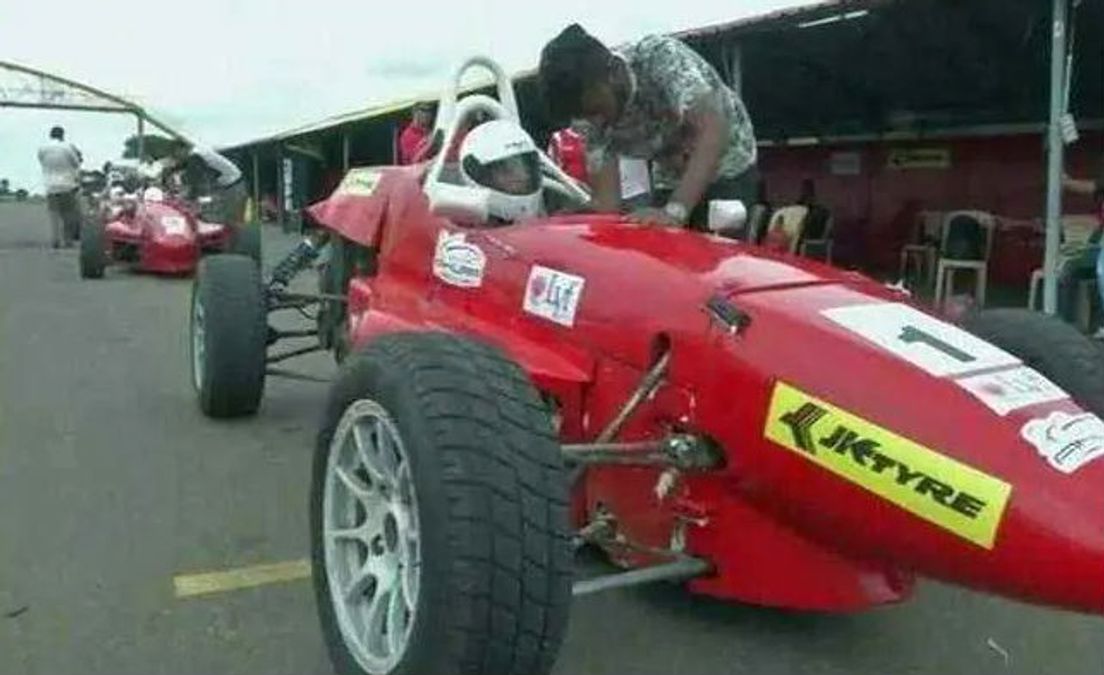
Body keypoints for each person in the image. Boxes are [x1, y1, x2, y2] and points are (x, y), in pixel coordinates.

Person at [538, 24, 758, 230]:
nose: (596, 124)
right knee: (662, 245)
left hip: (727, 160)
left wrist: (675, 211)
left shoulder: (660, 58)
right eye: (584, 116)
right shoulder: (588, 115)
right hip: (670, 170)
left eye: (597, 110)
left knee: (720, 252)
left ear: (614, 74)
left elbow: (714, 128)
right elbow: (608, 205)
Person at [1062, 155, 1104, 332]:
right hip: (1099, 246)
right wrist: (1064, 180)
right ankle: (1066, 324)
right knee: (1072, 269)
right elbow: (1087, 187)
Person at [162, 140, 247, 226]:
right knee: (223, 218)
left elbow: (199, 183)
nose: (175, 156)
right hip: (234, 185)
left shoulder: (195, 157)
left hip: (233, 187)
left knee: (219, 220)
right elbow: (196, 182)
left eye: (175, 152)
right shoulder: (197, 154)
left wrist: (188, 198)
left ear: (182, 149)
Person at [36, 126, 83, 248]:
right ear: (62, 135)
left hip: (50, 185)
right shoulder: (67, 147)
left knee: (54, 215)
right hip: (67, 184)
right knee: (68, 215)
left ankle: (55, 240)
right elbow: (76, 163)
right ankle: (68, 240)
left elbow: (41, 161)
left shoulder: (42, 149)